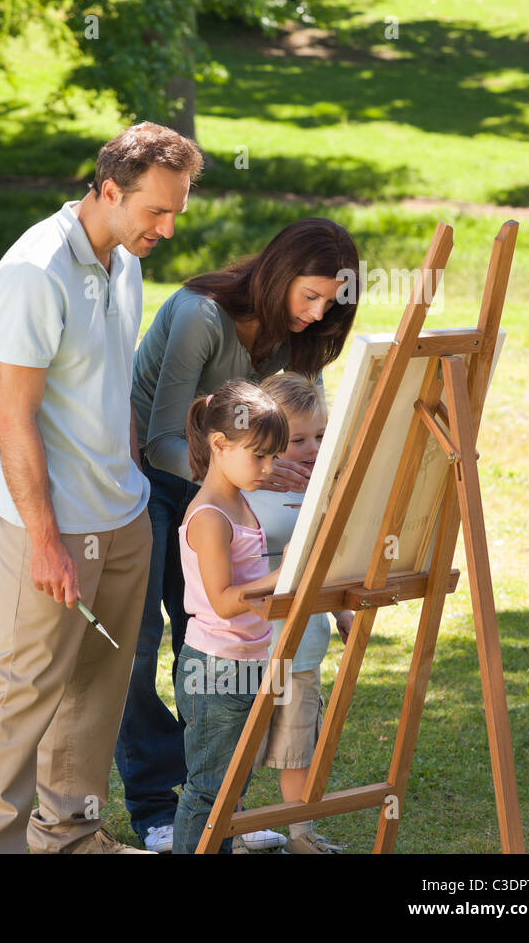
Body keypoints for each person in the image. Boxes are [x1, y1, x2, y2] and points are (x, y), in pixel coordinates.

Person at [0, 122, 203, 853]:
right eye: (155, 211)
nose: (165, 228)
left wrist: (129, 458)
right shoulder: (33, 273)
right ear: (106, 190)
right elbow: (15, 419)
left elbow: (110, 378)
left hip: (125, 515)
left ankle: (69, 835)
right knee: (22, 690)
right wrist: (44, 541)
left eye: (176, 213)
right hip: (55, 525)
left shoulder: (124, 259)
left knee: (99, 689)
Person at [115, 217, 360, 852]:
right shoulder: (202, 314)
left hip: (231, 484)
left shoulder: (302, 335)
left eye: (331, 304)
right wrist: (240, 475)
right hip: (156, 481)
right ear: (279, 273)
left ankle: (222, 802)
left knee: (213, 645)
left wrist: (312, 459)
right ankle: (155, 808)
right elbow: (160, 436)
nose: (315, 314)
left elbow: (309, 415)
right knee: (142, 647)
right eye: (308, 295)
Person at [171, 380, 288, 853]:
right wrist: (284, 575)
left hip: (246, 659)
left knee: (229, 786)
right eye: (259, 455)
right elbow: (222, 600)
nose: (269, 467)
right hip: (215, 668)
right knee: (208, 790)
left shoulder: (240, 499)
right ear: (219, 444)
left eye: (273, 456)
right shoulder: (210, 517)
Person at [245, 372, 354, 853]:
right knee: (236, 747)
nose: (312, 448)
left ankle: (301, 833)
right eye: (298, 439)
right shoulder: (244, 489)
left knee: (298, 746)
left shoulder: (324, 487)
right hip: (247, 650)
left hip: (304, 646)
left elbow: (330, 558)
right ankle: (231, 822)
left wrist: (344, 612)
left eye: (320, 436)